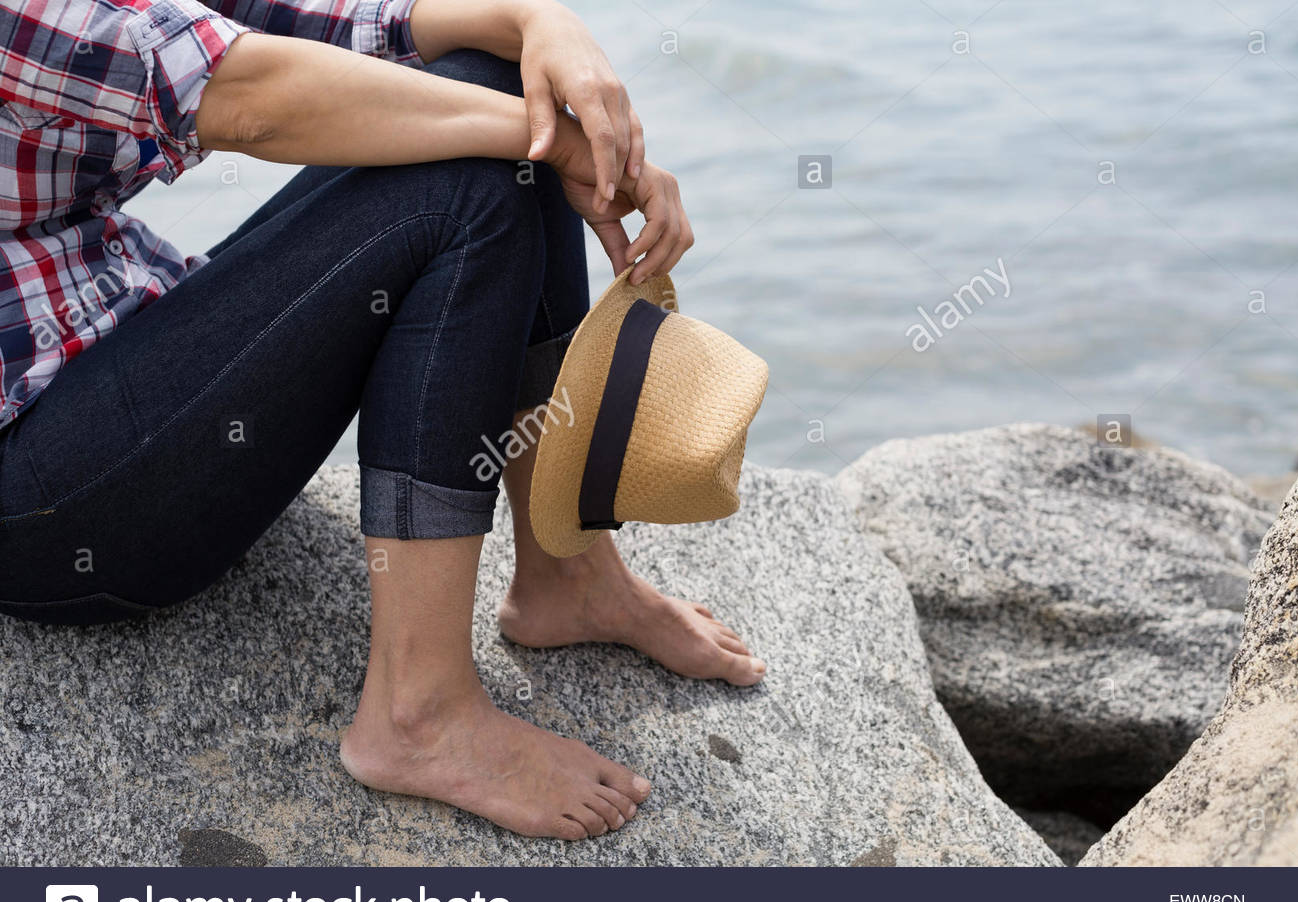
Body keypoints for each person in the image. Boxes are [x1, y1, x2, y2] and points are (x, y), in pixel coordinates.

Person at [0, 0, 766, 841]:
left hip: (114, 348)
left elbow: (299, 18)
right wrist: (559, 144)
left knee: (499, 86)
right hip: (43, 495)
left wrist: (533, 23)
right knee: (478, 178)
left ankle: (567, 577)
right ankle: (417, 712)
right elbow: (254, 95)